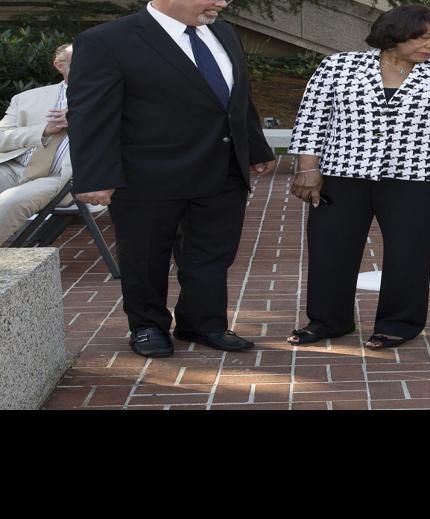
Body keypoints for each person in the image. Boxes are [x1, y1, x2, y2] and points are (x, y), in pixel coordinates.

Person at [68, 0, 276, 358]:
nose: (222, 3)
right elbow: (91, 114)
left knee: (211, 255)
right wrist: (95, 176)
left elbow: (236, 99)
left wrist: (256, 148)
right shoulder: (106, 41)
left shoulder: (224, 33)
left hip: (222, 168)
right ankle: (147, 326)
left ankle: (203, 323)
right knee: (146, 255)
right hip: (147, 175)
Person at [284, 4, 430, 350]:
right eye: (423, 37)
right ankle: (328, 321)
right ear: (393, 35)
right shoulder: (338, 67)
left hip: (421, 179)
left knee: (410, 253)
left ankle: (400, 323)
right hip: (343, 174)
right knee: (331, 249)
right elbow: (311, 122)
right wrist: (307, 169)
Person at [0, 44, 75, 244]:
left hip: (60, 178)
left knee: (8, 202)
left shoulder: (108, 99)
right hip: (15, 168)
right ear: (59, 66)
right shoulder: (25, 99)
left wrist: (80, 121)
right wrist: (43, 130)